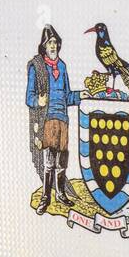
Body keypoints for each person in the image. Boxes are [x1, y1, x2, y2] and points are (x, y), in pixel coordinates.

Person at [25, 25, 81, 214]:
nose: (53, 46)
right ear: (44, 46)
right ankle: (45, 197)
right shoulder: (37, 66)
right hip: (47, 119)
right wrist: (38, 101)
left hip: (63, 119)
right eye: (50, 43)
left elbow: (67, 95)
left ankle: (61, 194)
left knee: (62, 160)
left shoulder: (63, 66)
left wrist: (82, 95)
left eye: (56, 42)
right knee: (49, 161)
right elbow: (28, 98)